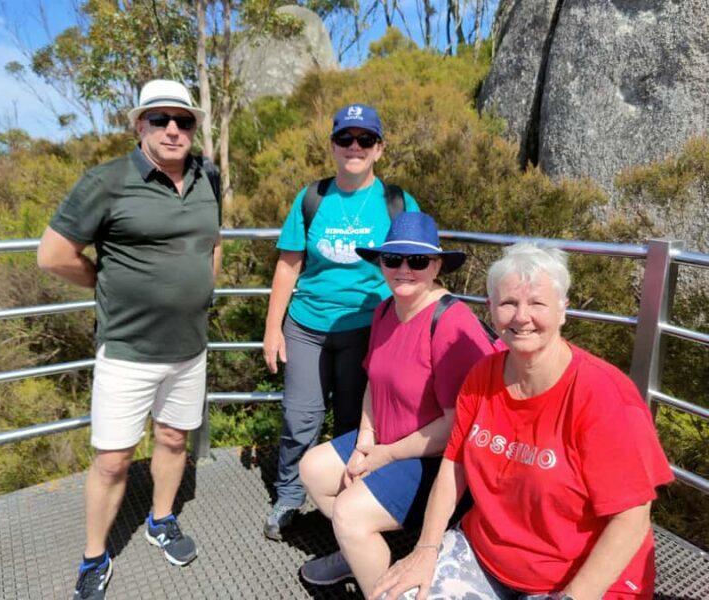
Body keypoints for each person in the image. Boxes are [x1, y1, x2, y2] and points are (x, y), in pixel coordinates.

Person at [371, 243, 675, 600]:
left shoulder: (603, 396)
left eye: (537, 303)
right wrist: (426, 549)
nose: (521, 316)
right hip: (487, 557)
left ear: (563, 310)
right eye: (509, 303)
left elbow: (632, 517)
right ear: (491, 310)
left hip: (581, 579)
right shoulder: (482, 376)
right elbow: (454, 466)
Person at [37, 79, 222, 600]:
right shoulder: (107, 181)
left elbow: (212, 240)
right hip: (127, 350)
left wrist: (205, 287)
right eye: (160, 119)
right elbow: (52, 254)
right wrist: (103, 283)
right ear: (139, 124)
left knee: (173, 439)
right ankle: (95, 555)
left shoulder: (207, 173)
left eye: (183, 121)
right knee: (113, 459)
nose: (172, 130)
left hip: (190, 347)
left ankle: (162, 520)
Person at [297, 211, 501, 596]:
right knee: (313, 470)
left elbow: (456, 425)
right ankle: (358, 553)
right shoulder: (386, 309)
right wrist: (364, 444)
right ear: (381, 263)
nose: (404, 270)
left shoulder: (451, 323)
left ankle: (386, 587)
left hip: (435, 459)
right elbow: (374, 382)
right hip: (388, 440)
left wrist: (384, 455)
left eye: (418, 261)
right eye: (393, 260)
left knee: (350, 512)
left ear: (437, 265)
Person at [262, 103, 420, 540]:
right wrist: (273, 328)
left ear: (379, 149)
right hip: (307, 325)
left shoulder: (396, 203)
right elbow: (288, 266)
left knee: (354, 423)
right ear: (332, 145)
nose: (355, 147)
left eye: (365, 139)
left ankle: (348, 505)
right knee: (301, 418)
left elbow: (419, 268)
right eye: (345, 139)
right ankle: (290, 497)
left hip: (369, 331)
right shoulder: (312, 198)